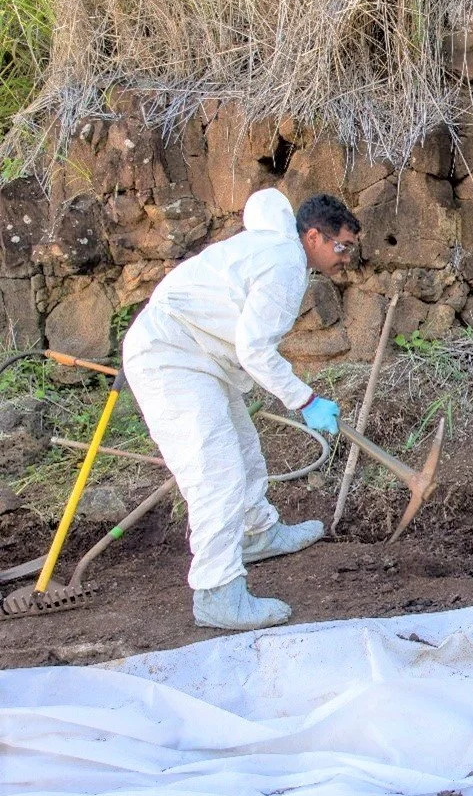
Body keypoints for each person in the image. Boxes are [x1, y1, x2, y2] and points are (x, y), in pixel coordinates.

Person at [122, 190, 359, 630]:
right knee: (216, 473)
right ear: (312, 237)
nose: (344, 258)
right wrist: (304, 400)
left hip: (197, 356)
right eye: (340, 246)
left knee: (245, 449)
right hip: (171, 357)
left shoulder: (274, 250)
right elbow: (253, 348)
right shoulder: (286, 262)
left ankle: (258, 534)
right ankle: (217, 594)